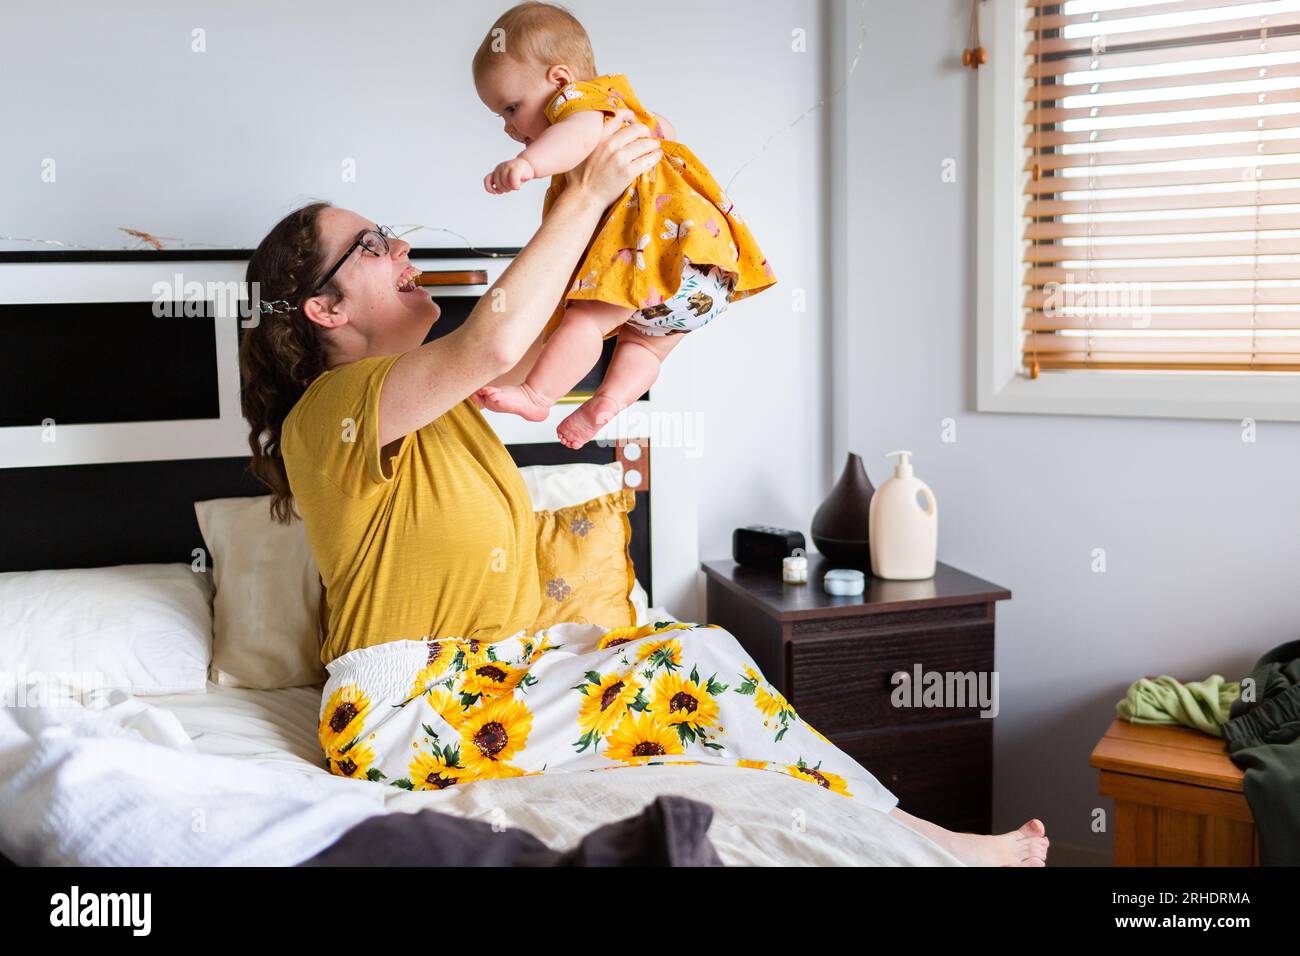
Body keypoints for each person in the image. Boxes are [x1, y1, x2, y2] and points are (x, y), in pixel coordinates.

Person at [237, 117, 1047, 868]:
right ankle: (936, 848)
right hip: (407, 711)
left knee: (700, 664)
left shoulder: (442, 405)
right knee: (698, 662)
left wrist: (682, 237)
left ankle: (915, 837)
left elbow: (593, 324)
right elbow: (496, 339)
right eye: (375, 244)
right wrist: (583, 193)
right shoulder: (330, 412)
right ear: (324, 307)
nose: (403, 246)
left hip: (494, 677)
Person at [472, 1, 776, 449]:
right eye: (501, 116)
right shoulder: (633, 111)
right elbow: (668, 134)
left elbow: (574, 138)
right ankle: (608, 403)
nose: (509, 127)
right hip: (707, 273)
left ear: (559, 81)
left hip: (657, 261)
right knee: (648, 345)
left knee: (586, 323)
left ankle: (539, 395)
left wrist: (527, 164)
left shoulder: (582, 103)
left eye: (512, 108)